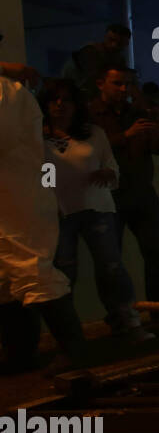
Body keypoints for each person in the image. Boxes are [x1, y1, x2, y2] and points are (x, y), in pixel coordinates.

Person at [40, 79, 153, 342]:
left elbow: (112, 166)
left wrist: (107, 173)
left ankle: (127, 321)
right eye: (54, 100)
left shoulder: (93, 133)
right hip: (59, 212)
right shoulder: (37, 138)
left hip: (96, 207)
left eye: (66, 100)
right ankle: (68, 336)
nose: (60, 105)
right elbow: (39, 176)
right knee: (64, 272)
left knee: (111, 266)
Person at [0, 62, 87, 371]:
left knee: (32, 269)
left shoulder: (6, 91)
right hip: (9, 198)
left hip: (18, 198)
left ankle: (74, 350)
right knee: (5, 279)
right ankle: (20, 353)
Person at [89, 64, 159, 302]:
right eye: (117, 83)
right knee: (110, 259)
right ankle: (119, 312)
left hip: (141, 192)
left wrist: (158, 133)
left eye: (128, 84)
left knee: (156, 251)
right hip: (107, 196)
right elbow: (87, 151)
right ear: (100, 84)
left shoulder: (136, 112)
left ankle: (158, 305)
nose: (124, 89)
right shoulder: (90, 114)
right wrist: (125, 136)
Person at [63, 23, 131, 100]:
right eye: (111, 40)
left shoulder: (119, 58)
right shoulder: (91, 51)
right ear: (106, 37)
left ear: (126, 43)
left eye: (120, 43)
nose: (114, 45)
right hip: (77, 94)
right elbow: (93, 78)